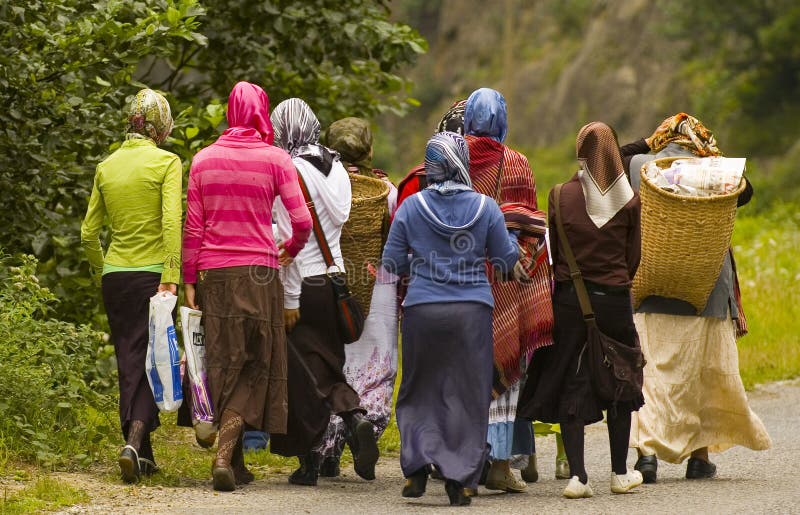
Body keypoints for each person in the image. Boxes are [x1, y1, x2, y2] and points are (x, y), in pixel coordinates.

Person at [621, 113, 770, 482]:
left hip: (651, 283)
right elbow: (746, 193)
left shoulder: (641, 166)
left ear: (662, 138)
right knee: (703, 373)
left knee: (652, 373)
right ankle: (699, 457)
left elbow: (611, 155)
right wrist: (712, 155)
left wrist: (647, 142)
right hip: (707, 289)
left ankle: (648, 455)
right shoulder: (718, 173)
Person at [182, 82, 312, 491]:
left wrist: (189, 278)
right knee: (255, 363)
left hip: (214, 275)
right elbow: (302, 221)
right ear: (260, 112)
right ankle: (225, 457)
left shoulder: (202, 160)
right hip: (259, 273)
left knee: (223, 360)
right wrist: (289, 249)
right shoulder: (276, 160)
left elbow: (193, 227)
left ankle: (234, 463)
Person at [383, 131, 520, 506]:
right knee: (467, 394)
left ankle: (415, 468)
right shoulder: (487, 208)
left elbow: (391, 264)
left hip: (422, 311)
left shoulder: (411, 208)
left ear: (430, 166)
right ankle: (460, 479)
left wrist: (423, 262)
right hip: (471, 313)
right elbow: (506, 261)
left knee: (419, 388)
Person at [518, 121, 645, 499]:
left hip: (571, 301)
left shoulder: (559, 196)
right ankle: (620, 473)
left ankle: (578, 477)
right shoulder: (630, 200)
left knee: (574, 377)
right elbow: (633, 257)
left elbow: (556, 254)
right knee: (621, 376)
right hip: (616, 300)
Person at [268, 99, 379, 486]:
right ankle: (355, 418)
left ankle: (309, 463)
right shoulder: (337, 169)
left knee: (300, 378)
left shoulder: (288, 169)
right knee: (328, 365)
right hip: (335, 283)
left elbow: (288, 236)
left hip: (302, 283)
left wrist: (289, 297)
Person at [81, 89, 181, 483]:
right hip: (153, 276)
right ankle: (135, 441)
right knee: (150, 358)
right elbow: (172, 222)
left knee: (129, 358)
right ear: (161, 124)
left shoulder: (106, 166)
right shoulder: (167, 162)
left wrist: (102, 270)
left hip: (116, 275)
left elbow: (89, 232)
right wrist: (171, 276)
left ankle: (142, 453)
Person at [462, 87, 554, 493]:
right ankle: (499, 466)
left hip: (458, 280)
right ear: (502, 120)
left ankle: (459, 462)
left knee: (461, 371)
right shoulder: (515, 162)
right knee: (505, 371)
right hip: (504, 281)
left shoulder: (450, 157)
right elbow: (530, 228)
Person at [313, 117, 400, 479]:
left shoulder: (321, 185)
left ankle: (331, 447)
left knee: (334, 362)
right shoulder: (386, 190)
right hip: (376, 288)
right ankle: (366, 421)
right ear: (369, 150)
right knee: (373, 366)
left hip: (333, 288)